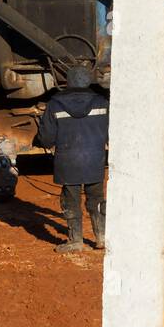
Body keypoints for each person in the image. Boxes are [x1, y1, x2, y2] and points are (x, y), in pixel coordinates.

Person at [35, 63, 109, 253]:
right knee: (97, 199)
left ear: (68, 81)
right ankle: (101, 237)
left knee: (70, 200)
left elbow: (46, 139)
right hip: (95, 160)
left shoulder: (55, 104)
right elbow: (113, 133)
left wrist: (40, 139)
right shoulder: (102, 102)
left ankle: (76, 241)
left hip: (68, 161)